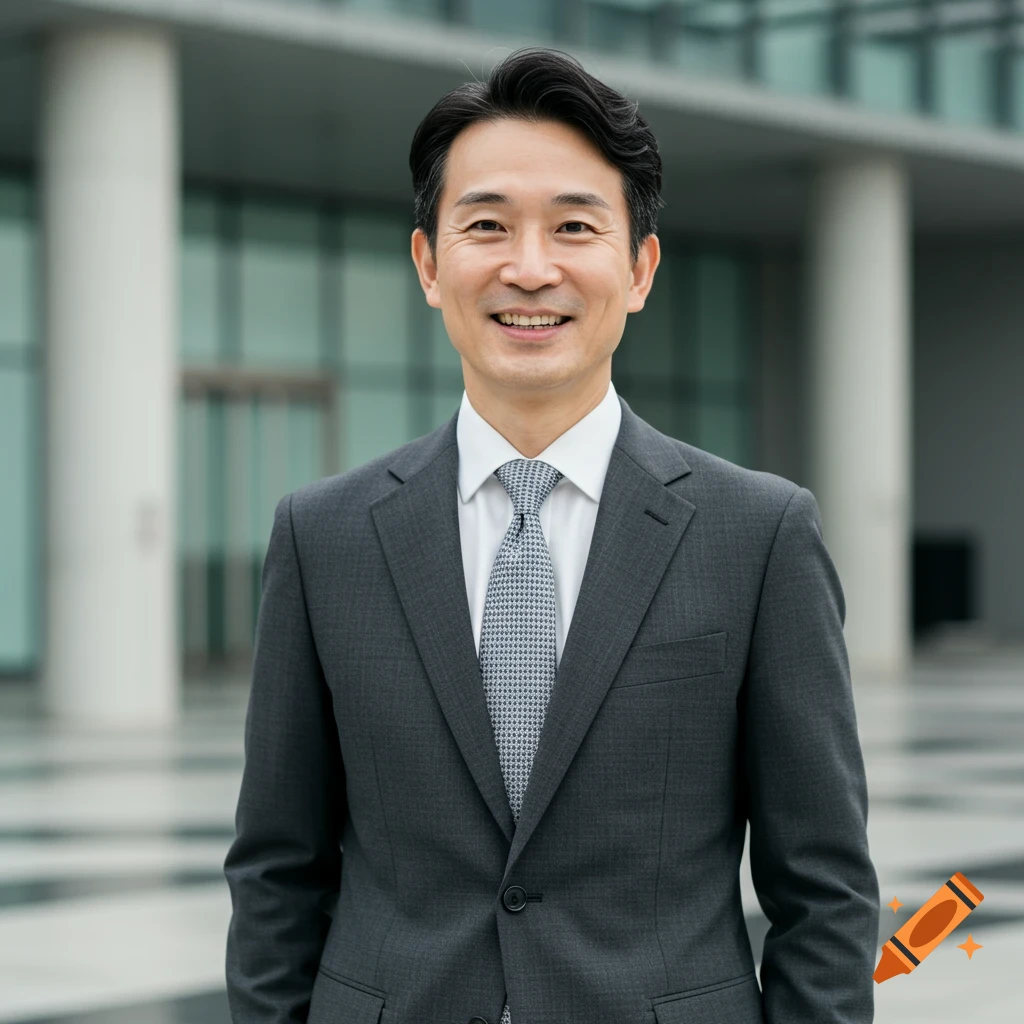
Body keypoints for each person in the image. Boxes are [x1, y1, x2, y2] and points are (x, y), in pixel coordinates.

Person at [224, 45, 880, 1024]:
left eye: (574, 226)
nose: (529, 268)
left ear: (640, 265)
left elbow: (823, 893)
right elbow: (277, 873)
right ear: (429, 264)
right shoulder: (325, 538)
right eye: (486, 225)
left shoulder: (758, 535)